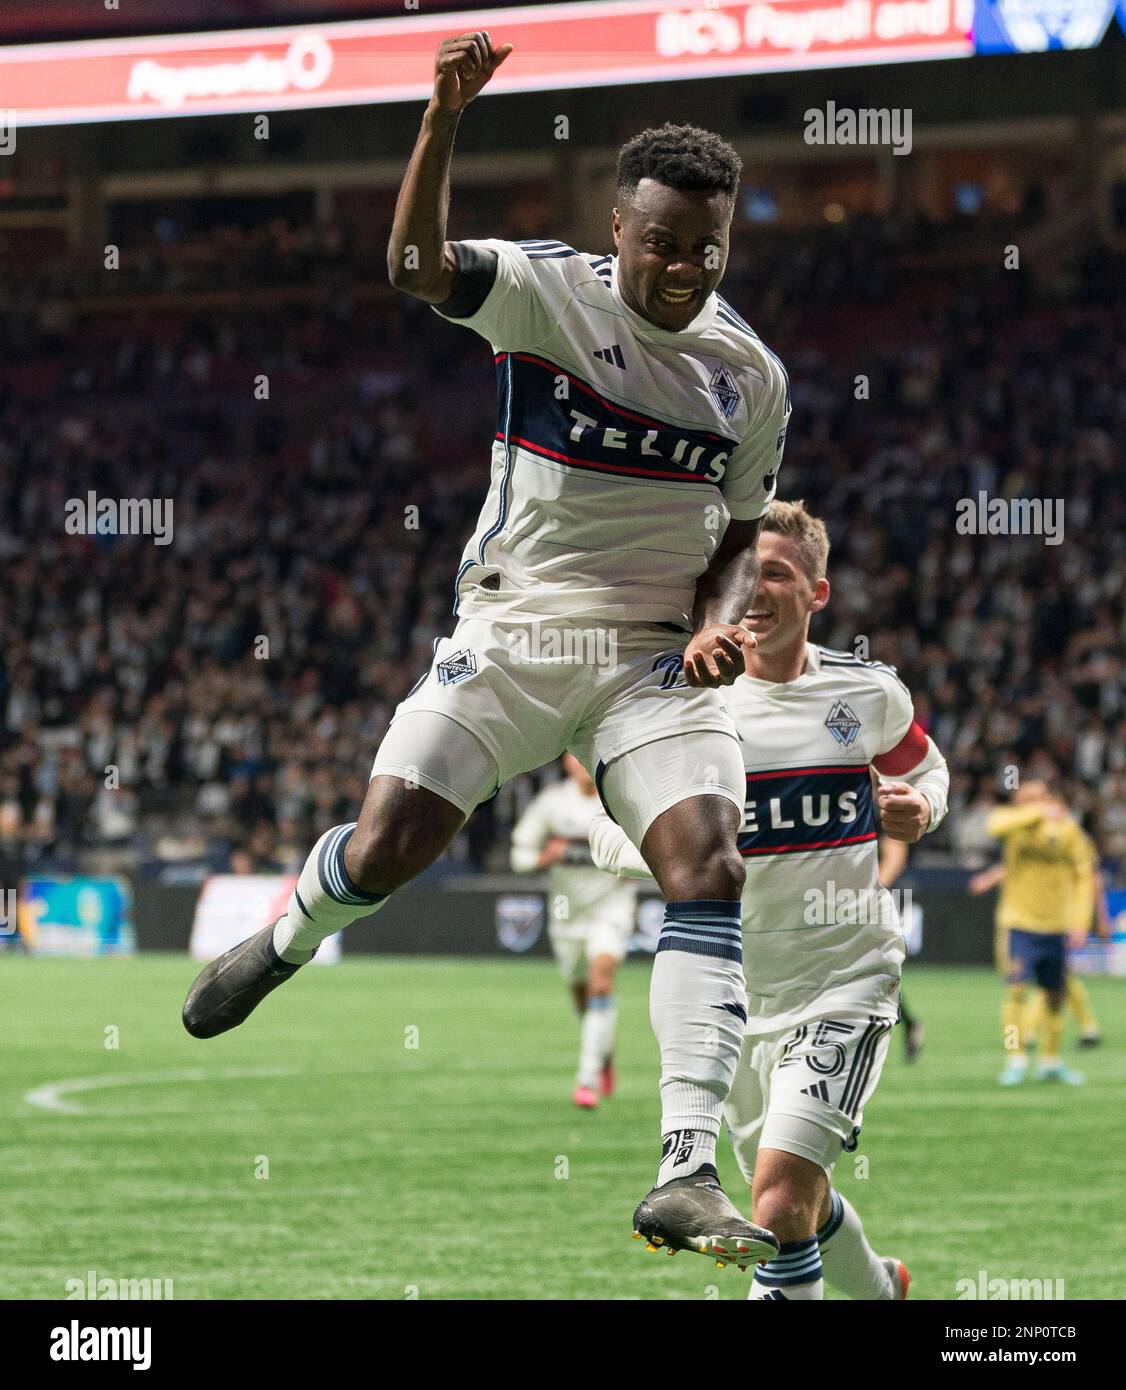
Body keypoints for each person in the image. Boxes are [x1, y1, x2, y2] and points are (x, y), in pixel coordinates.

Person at [182, 32, 791, 1263]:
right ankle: (286, 938)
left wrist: (723, 624)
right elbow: (412, 266)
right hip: (514, 629)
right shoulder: (543, 287)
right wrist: (440, 118)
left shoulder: (750, 376)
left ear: (729, 241)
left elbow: (738, 529)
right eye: (659, 238)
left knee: (710, 867)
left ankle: (684, 1169)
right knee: (390, 844)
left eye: (704, 245)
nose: (680, 265)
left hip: (651, 665)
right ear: (617, 224)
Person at [591, 500, 949, 1296]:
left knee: (779, 1201)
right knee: (792, 1204)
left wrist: (922, 808)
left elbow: (924, 768)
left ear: (817, 594)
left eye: (777, 573)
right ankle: (883, 1289)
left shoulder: (867, 694)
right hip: (733, 998)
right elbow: (604, 831)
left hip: (844, 979)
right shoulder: (683, 707)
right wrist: (676, 854)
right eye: (744, 572)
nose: (756, 590)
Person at [510, 754, 637, 1108]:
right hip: (567, 916)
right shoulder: (552, 803)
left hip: (611, 909)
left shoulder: (619, 799)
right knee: (582, 997)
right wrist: (545, 858)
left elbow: (649, 845)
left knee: (601, 985)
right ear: (567, 764)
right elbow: (519, 857)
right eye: (575, 758)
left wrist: (632, 861)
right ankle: (604, 1052)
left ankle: (586, 1081)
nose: (582, 763)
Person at [969, 787, 1098, 1085]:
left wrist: (1081, 922)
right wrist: (1035, 813)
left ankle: (1050, 1061)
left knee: (1055, 995)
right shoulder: (1014, 825)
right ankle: (1015, 1057)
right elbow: (994, 824)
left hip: (1056, 925)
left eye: (1040, 799)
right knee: (1016, 991)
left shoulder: (1068, 831)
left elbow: (1083, 876)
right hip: (1019, 924)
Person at [877, 833, 925, 1062]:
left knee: (880, 972)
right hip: (873, 897)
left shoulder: (884, 810)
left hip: (887, 900)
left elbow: (894, 859)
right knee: (878, 976)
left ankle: (909, 1024)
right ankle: (910, 1024)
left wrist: (866, 894)